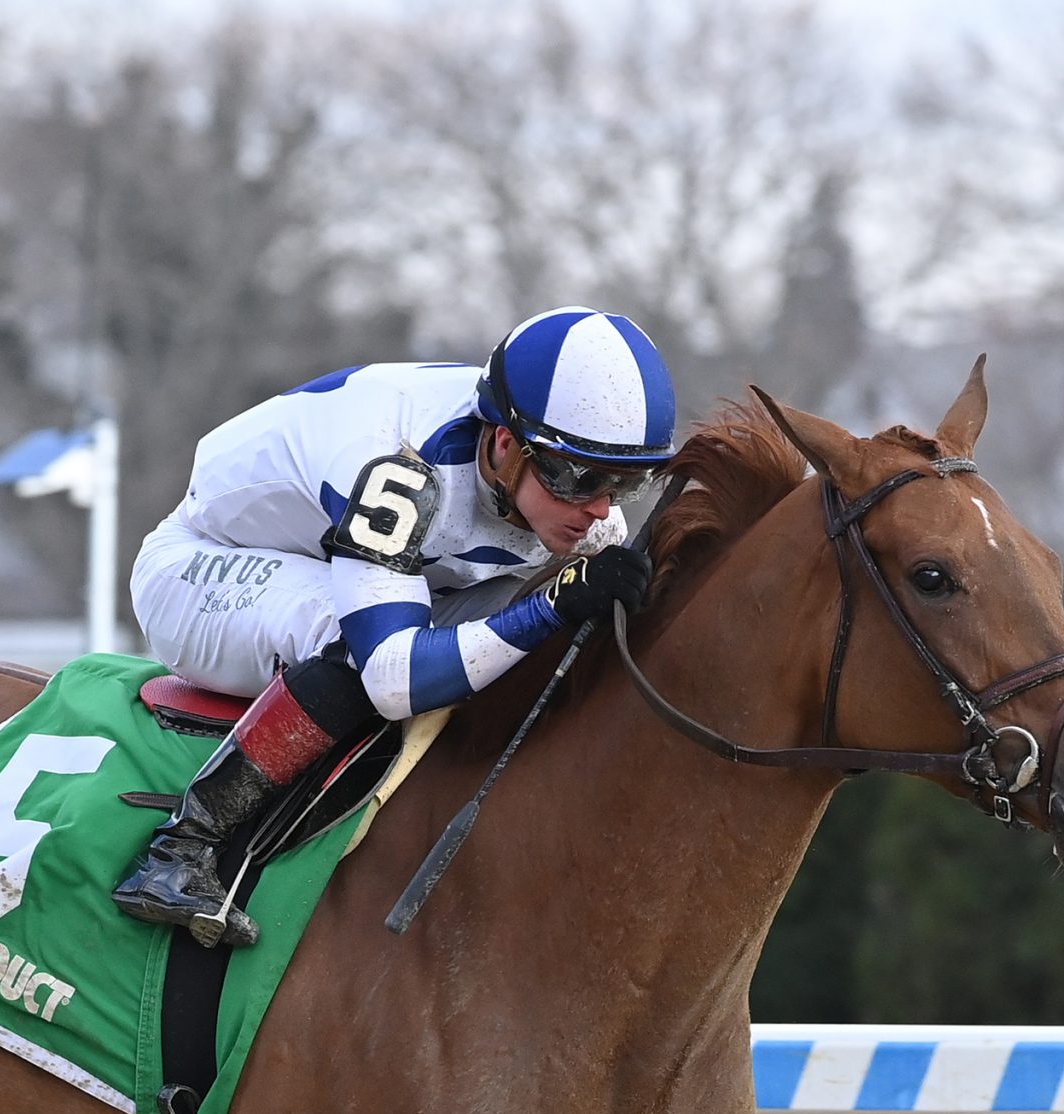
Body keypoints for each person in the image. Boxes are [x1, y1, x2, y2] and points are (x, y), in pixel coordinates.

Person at [114, 306, 677, 946]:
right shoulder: (402, 471)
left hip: (364, 563)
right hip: (201, 568)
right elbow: (392, 677)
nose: (601, 508)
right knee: (356, 643)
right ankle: (183, 846)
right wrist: (549, 606)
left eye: (628, 482)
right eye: (582, 477)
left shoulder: (570, 499)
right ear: (503, 444)